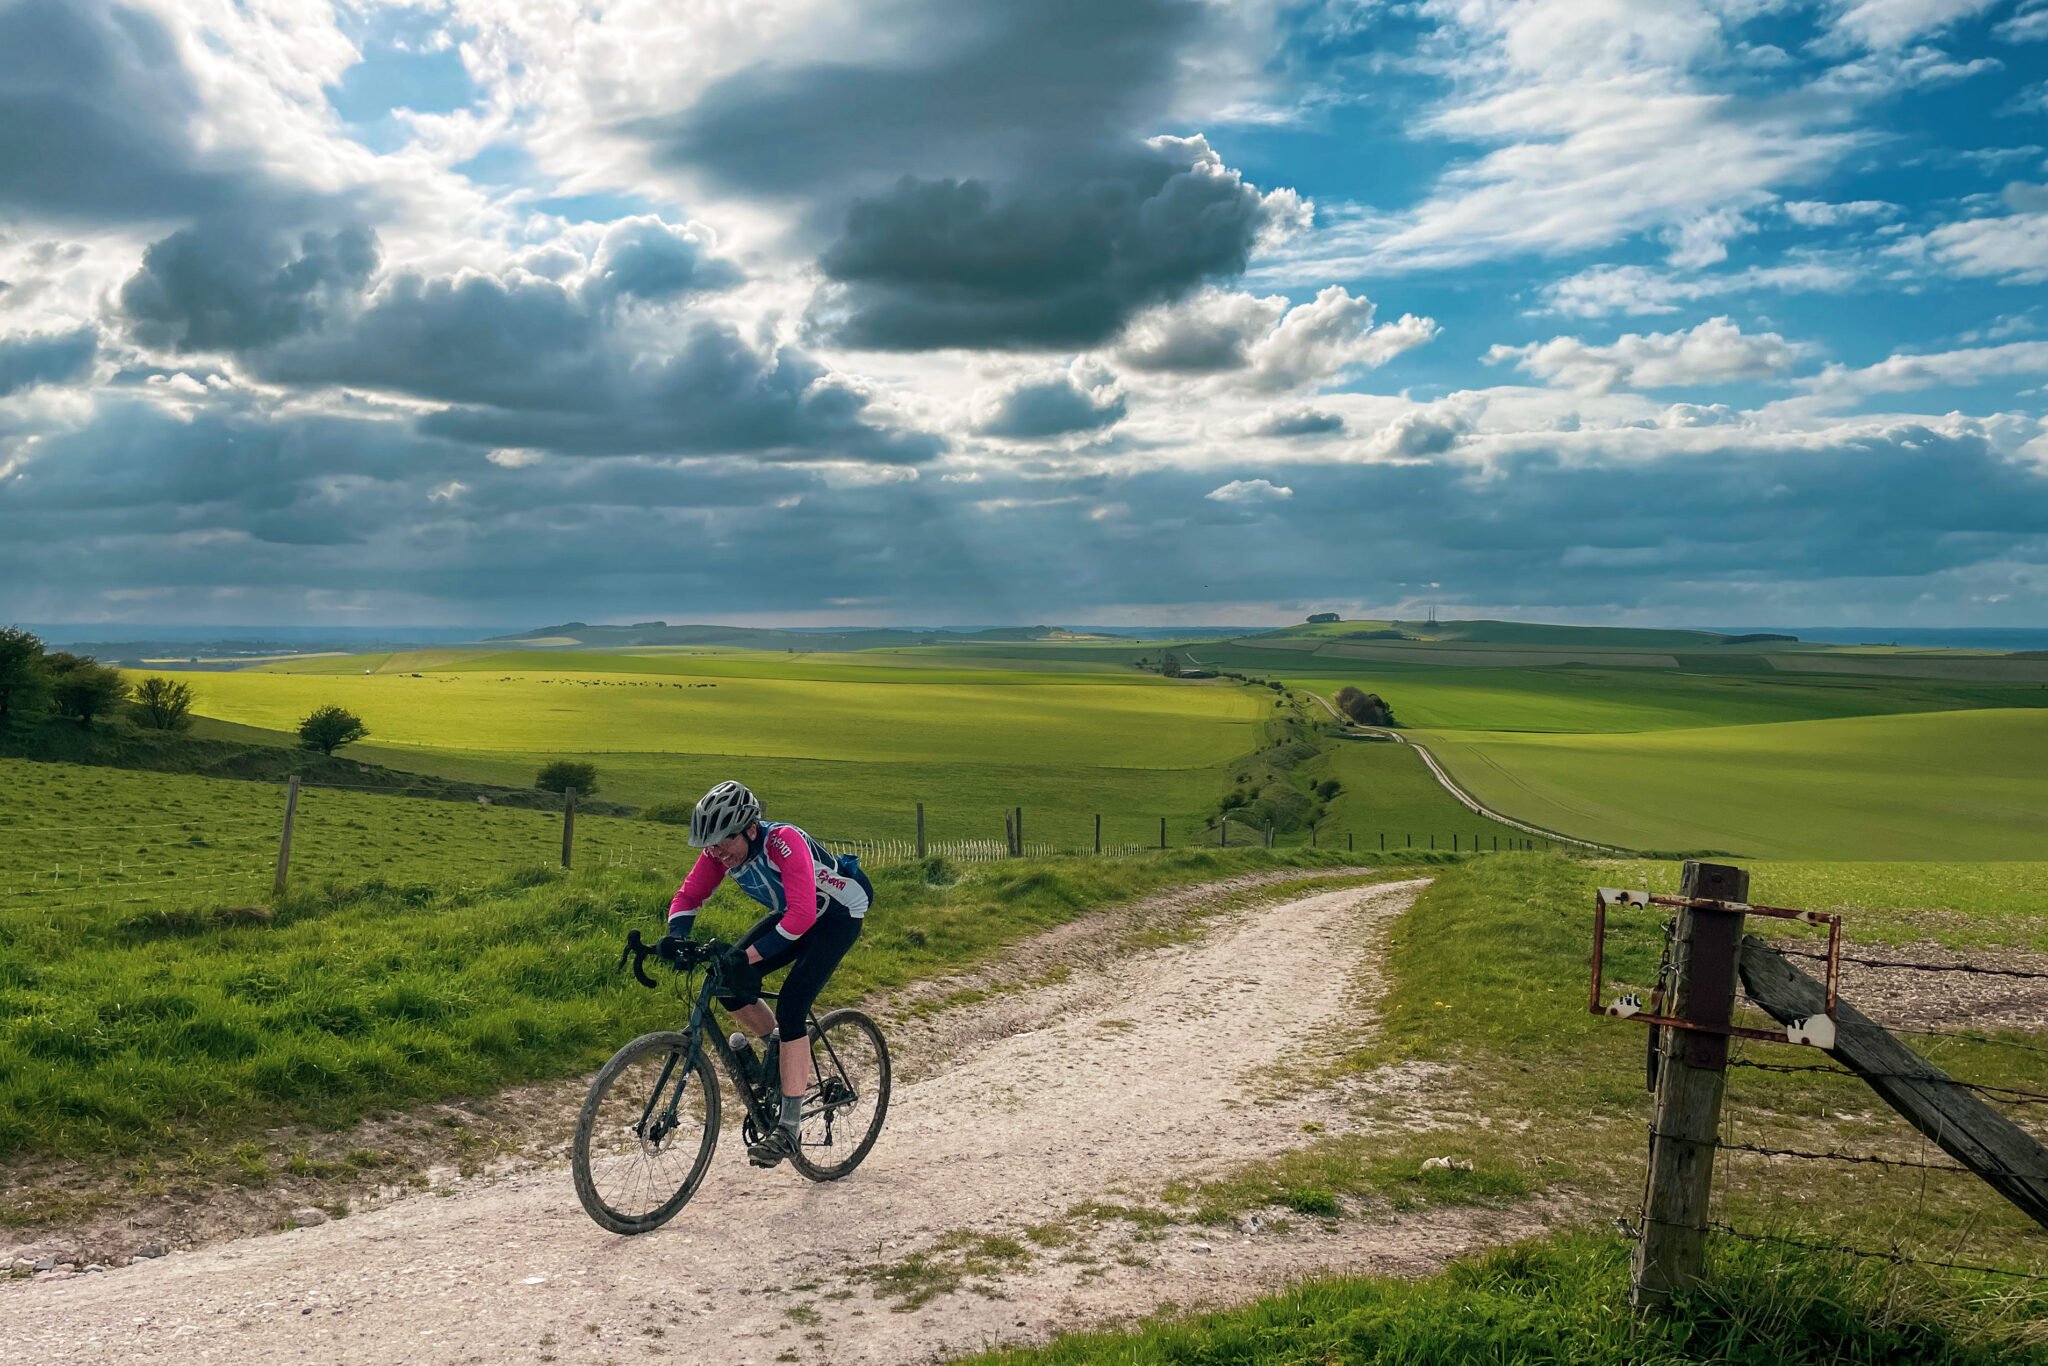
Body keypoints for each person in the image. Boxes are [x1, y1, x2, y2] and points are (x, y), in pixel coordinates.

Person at [661, 780, 871, 1168]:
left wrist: (748, 956)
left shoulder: (783, 842)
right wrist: (676, 938)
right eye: (709, 844)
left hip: (838, 916)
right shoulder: (718, 854)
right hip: (796, 911)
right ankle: (782, 1062)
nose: (716, 852)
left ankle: (789, 1129)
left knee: (793, 1008)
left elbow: (804, 917)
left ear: (750, 830)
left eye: (723, 841)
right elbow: (689, 897)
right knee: (728, 986)